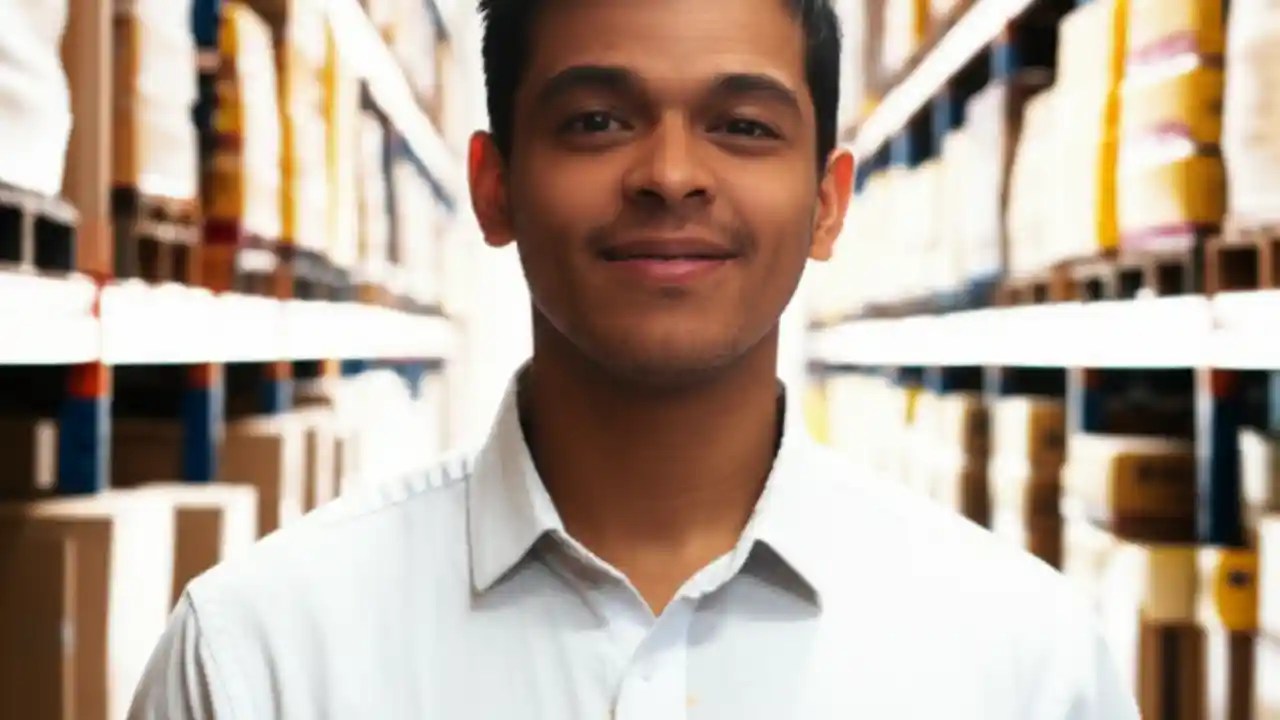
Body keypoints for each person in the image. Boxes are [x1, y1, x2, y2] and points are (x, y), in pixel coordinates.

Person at [129, 0, 1138, 717]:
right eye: (597, 121)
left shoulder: (1027, 664)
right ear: (493, 187)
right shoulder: (256, 658)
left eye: (741, 126)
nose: (667, 175)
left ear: (828, 202)